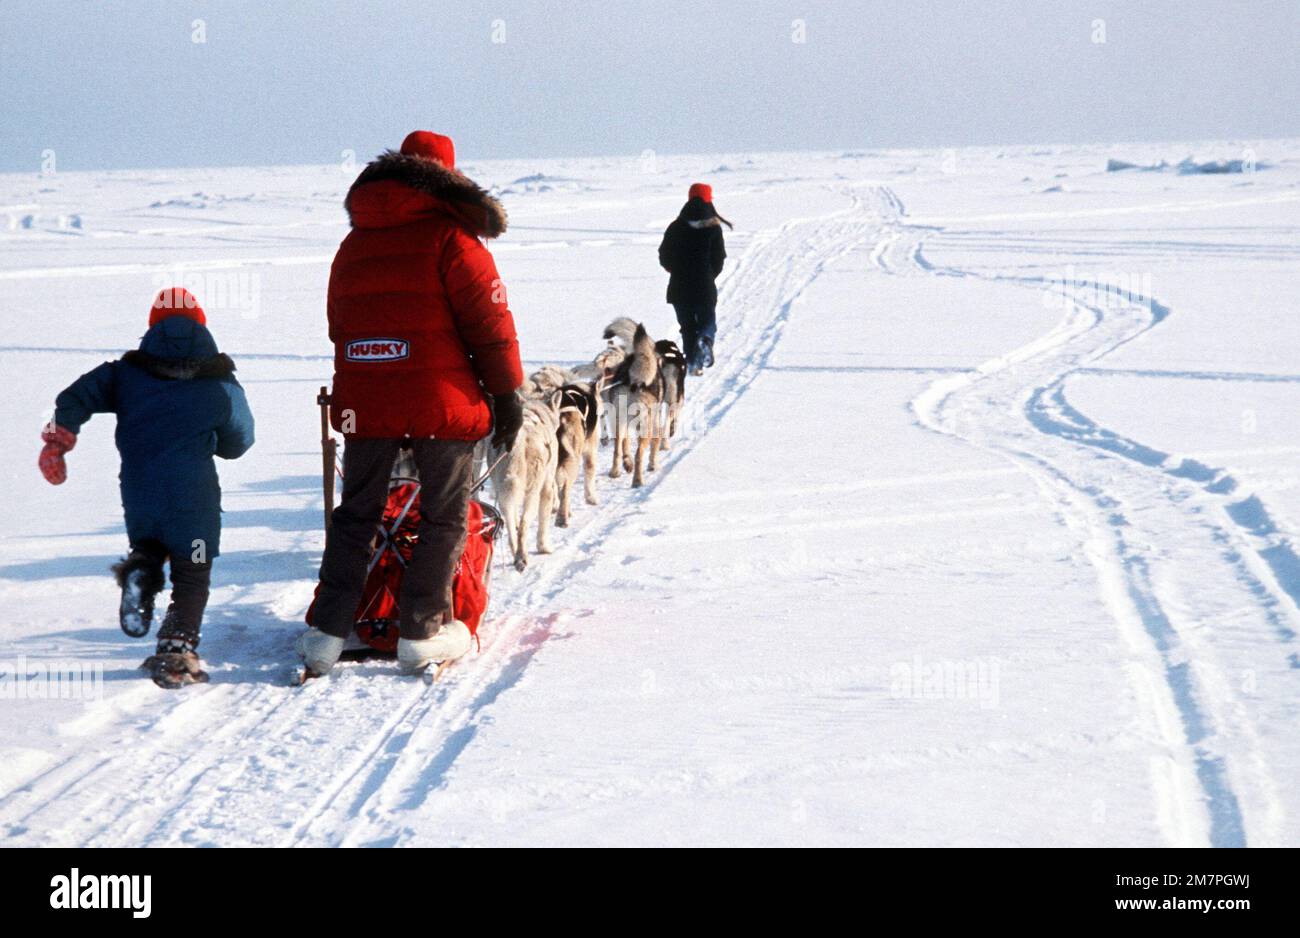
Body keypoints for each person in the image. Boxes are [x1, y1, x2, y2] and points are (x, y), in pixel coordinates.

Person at [300, 130, 525, 677]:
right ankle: (421, 629)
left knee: (355, 516)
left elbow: (339, 326)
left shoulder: (354, 243)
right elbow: (490, 327)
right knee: (443, 516)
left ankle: (327, 632)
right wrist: (504, 393)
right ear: (449, 176)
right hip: (440, 405)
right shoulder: (454, 240)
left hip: (366, 400)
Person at [40, 287, 255, 688]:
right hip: (194, 496)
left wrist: (58, 436)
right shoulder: (219, 381)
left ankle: (141, 571)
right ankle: (176, 650)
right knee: (193, 570)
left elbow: (73, 397)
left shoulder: (125, 374)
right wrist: (219, 445)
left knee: (150, 545)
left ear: (151, 327)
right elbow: (241, 439)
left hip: (139, 491)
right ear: (202, 325)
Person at [658, 182, 732, 375]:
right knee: (707, 320)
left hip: (679, 286)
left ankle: (693, 364)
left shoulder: (676, 226)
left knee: (687, 327)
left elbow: (664, 254)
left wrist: (675, 270)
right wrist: (708, 274)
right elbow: (719, 258)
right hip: (704, 285)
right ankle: (706, 339)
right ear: (709, 199)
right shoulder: (714, 228)